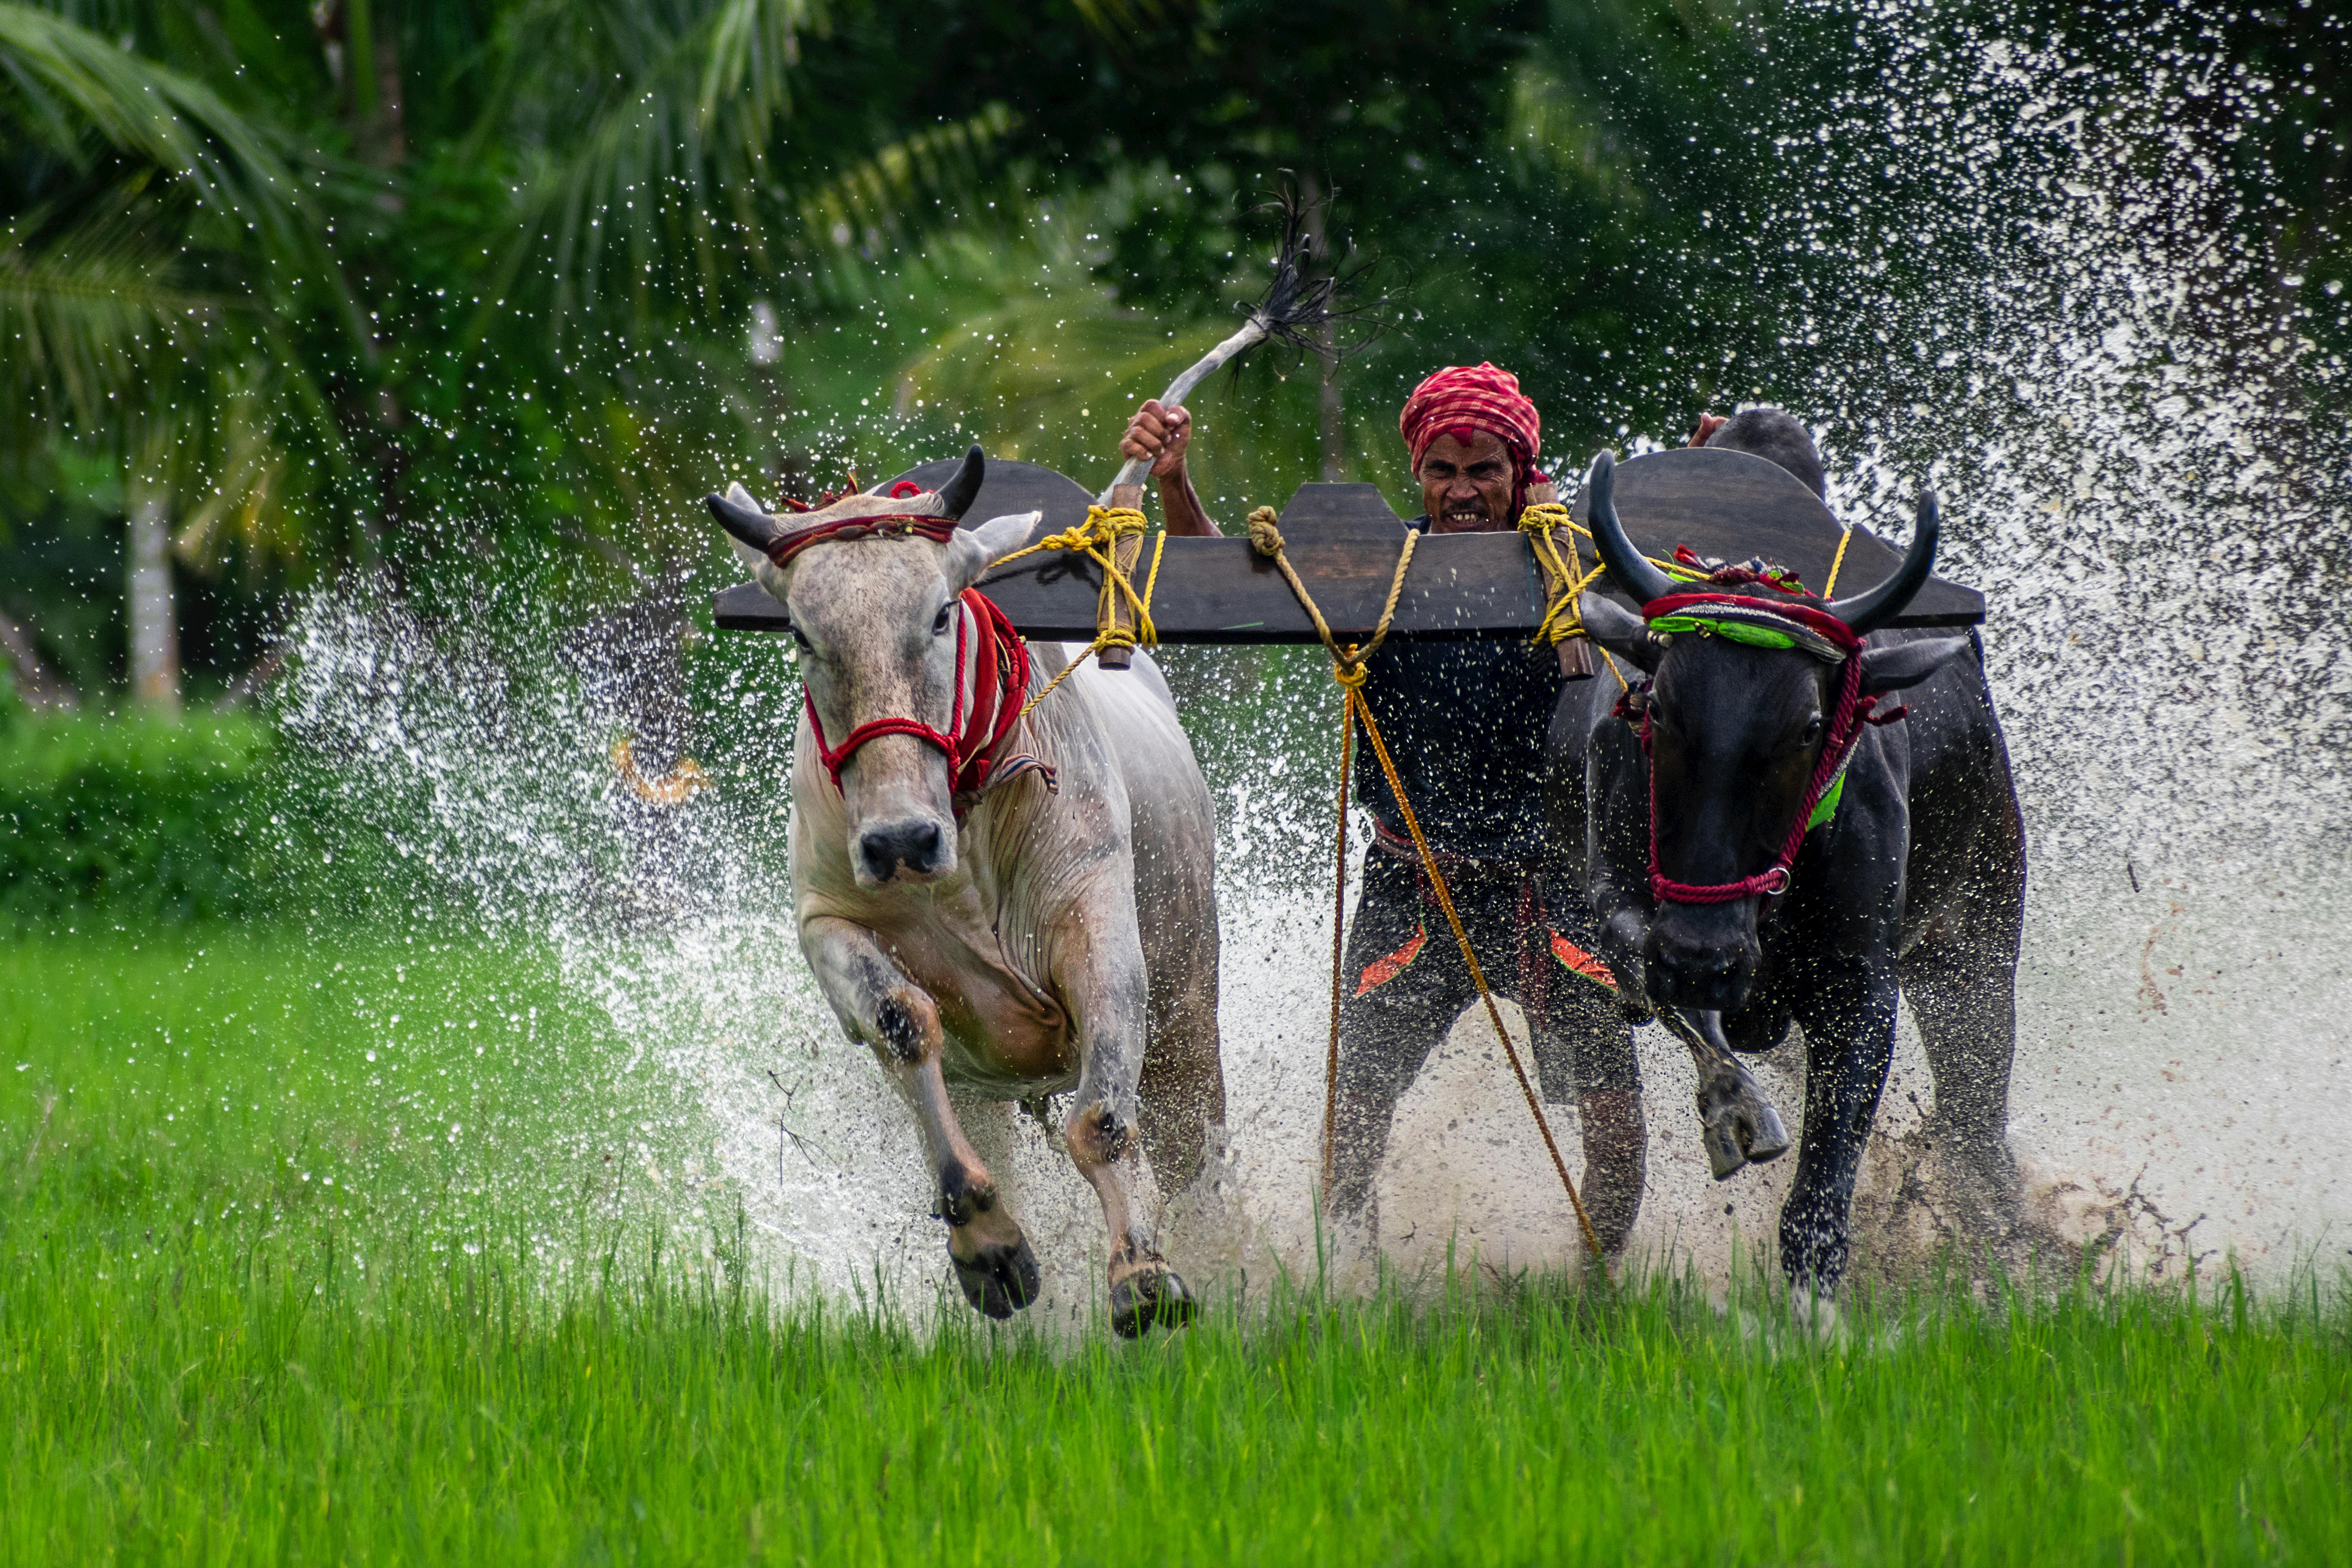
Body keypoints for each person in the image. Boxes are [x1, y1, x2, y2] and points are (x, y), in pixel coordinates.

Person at [1119, 367, 1646, 1261]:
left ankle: (1593, 1286)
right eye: (1443, 470)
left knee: (1619, 1130)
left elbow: (1696, 612)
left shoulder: (1581, 568)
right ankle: (1350, 1282)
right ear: (1418, 474)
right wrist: (1173, 481)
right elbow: (1224, 589)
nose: (1463, 491)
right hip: (1415, 880)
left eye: (1485, 471)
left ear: (1522, 475)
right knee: (1353, 1128)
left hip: (1549, 884)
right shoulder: (1370, 569)